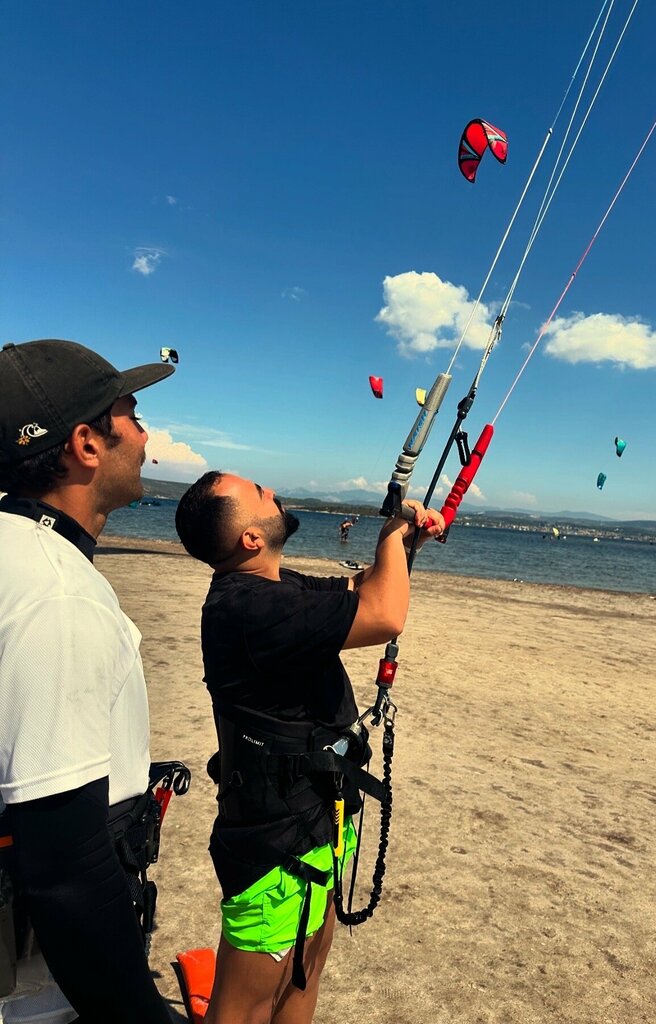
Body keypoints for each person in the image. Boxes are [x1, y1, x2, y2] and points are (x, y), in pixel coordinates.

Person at [174, 472, 444, 1024]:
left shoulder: (278, 589)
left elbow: (362, 589)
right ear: (251, 538)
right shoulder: (248, 608)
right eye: (259, 494)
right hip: (274, 840)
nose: (271, 492)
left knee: (305, 971)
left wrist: (400, 541)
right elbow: (384, 614)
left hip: (318, 814)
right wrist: (392, 535)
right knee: (245, 1005)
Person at [0, 339, 176, 1022]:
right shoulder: (58, 596)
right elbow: (64, 868)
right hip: (40, 996)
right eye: (132, 415)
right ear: (86, 444)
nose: (146, 435)